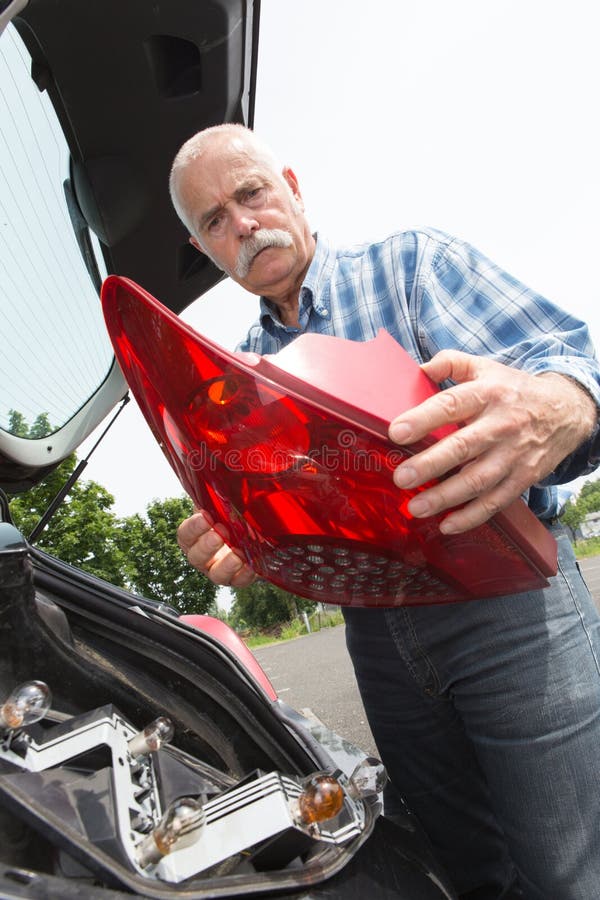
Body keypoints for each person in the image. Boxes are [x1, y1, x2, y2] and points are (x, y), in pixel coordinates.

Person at [169, 123, 600, 899]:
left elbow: (566, 358)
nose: (241, 224)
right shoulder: (243, 378)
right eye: (212, 221)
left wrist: (559, 404)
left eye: (251, 193)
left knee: (569, 870)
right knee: (466, 869)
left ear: (293, 188)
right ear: (204, 251)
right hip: (377, 633)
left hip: (507, 599)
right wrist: (250, 541)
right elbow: (291, 526)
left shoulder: (411, 266)